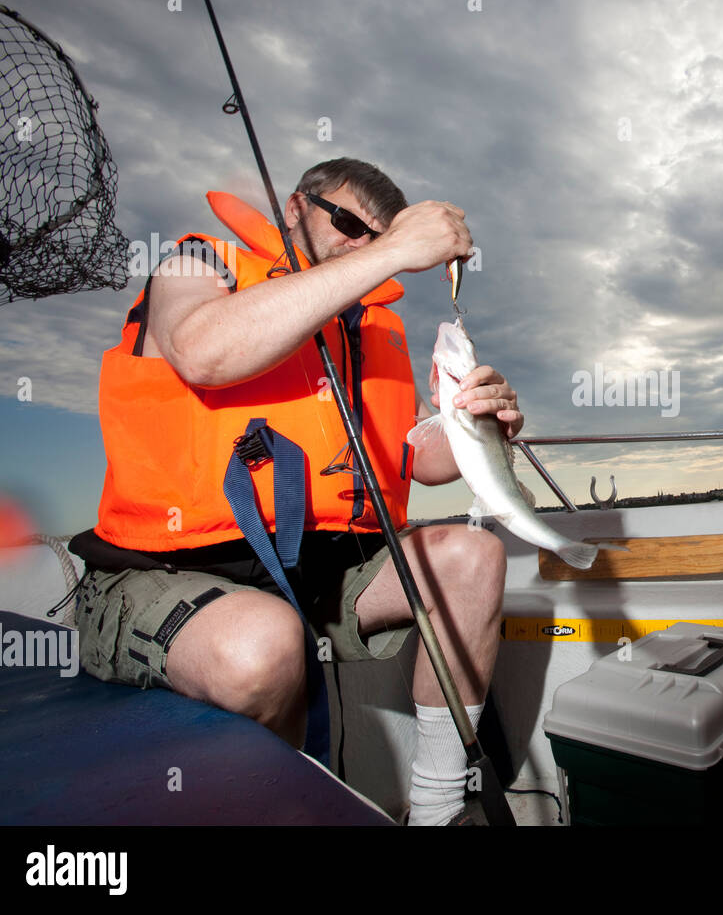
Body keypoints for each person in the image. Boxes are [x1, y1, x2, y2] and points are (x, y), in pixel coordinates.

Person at [70, 157, 517, 826]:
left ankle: (436, 808)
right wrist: (395, 248)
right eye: (346, 222)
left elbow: (416, 461)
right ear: (294, 207)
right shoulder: (199, 264)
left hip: (316, 576)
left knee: (475, 560)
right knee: (262, 644)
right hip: (166, 571)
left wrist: (484, 428)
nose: (361, 245)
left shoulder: (371, 328)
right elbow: (202, 352)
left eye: (376, 237)